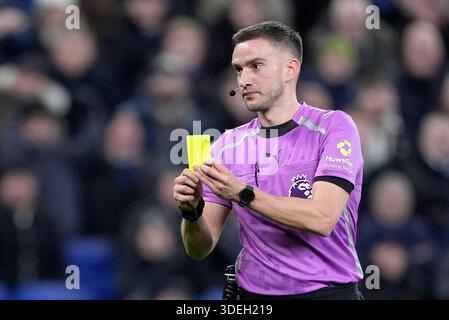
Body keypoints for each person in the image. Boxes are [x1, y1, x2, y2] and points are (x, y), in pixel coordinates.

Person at [173, 21, 364, 300]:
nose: (243, 80)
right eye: (238, 69)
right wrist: (191, 212)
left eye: (256, 66)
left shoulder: (334, 127)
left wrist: (242, 193)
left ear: (290, 69)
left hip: (326, 293)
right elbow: (199, 249)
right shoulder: (226, 145)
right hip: (253, 296)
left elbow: (323, 218)